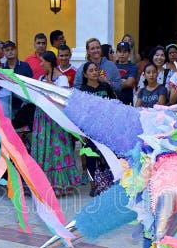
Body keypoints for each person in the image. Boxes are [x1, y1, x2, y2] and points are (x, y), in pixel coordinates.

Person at [31, 51, 79, 194]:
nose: (41, 64)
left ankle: (61, 185)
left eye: (43, 61)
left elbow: (63, 98)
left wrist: (51, 85)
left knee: (58, 148)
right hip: (43, 117)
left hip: (56, 118)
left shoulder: (62, 79)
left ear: (50, 62)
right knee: (45, 147)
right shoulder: (41, 78)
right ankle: (45, 185)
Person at [79, 60, 117, 195]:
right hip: (89, 130)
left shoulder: (105, 87)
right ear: (85, 74)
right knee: (90, 158)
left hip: (106, 129)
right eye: (91, 70)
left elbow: (114, 104)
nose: (94, 72)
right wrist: (81, 132)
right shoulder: (82, 91)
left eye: (96, 70)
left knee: (108, 156)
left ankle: (109, 183)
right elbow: (80, 112)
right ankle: (93, 185)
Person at [114, 41, 137, 106]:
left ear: (129, 53)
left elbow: (129, 83)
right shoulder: (112, 66)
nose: (122, 54)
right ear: (116, 53)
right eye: (120, 51)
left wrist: (114, 83)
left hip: (127, 101)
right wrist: (123, 80)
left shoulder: (133, 67)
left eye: (125, 51)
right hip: (113, 100)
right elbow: (106, 81)